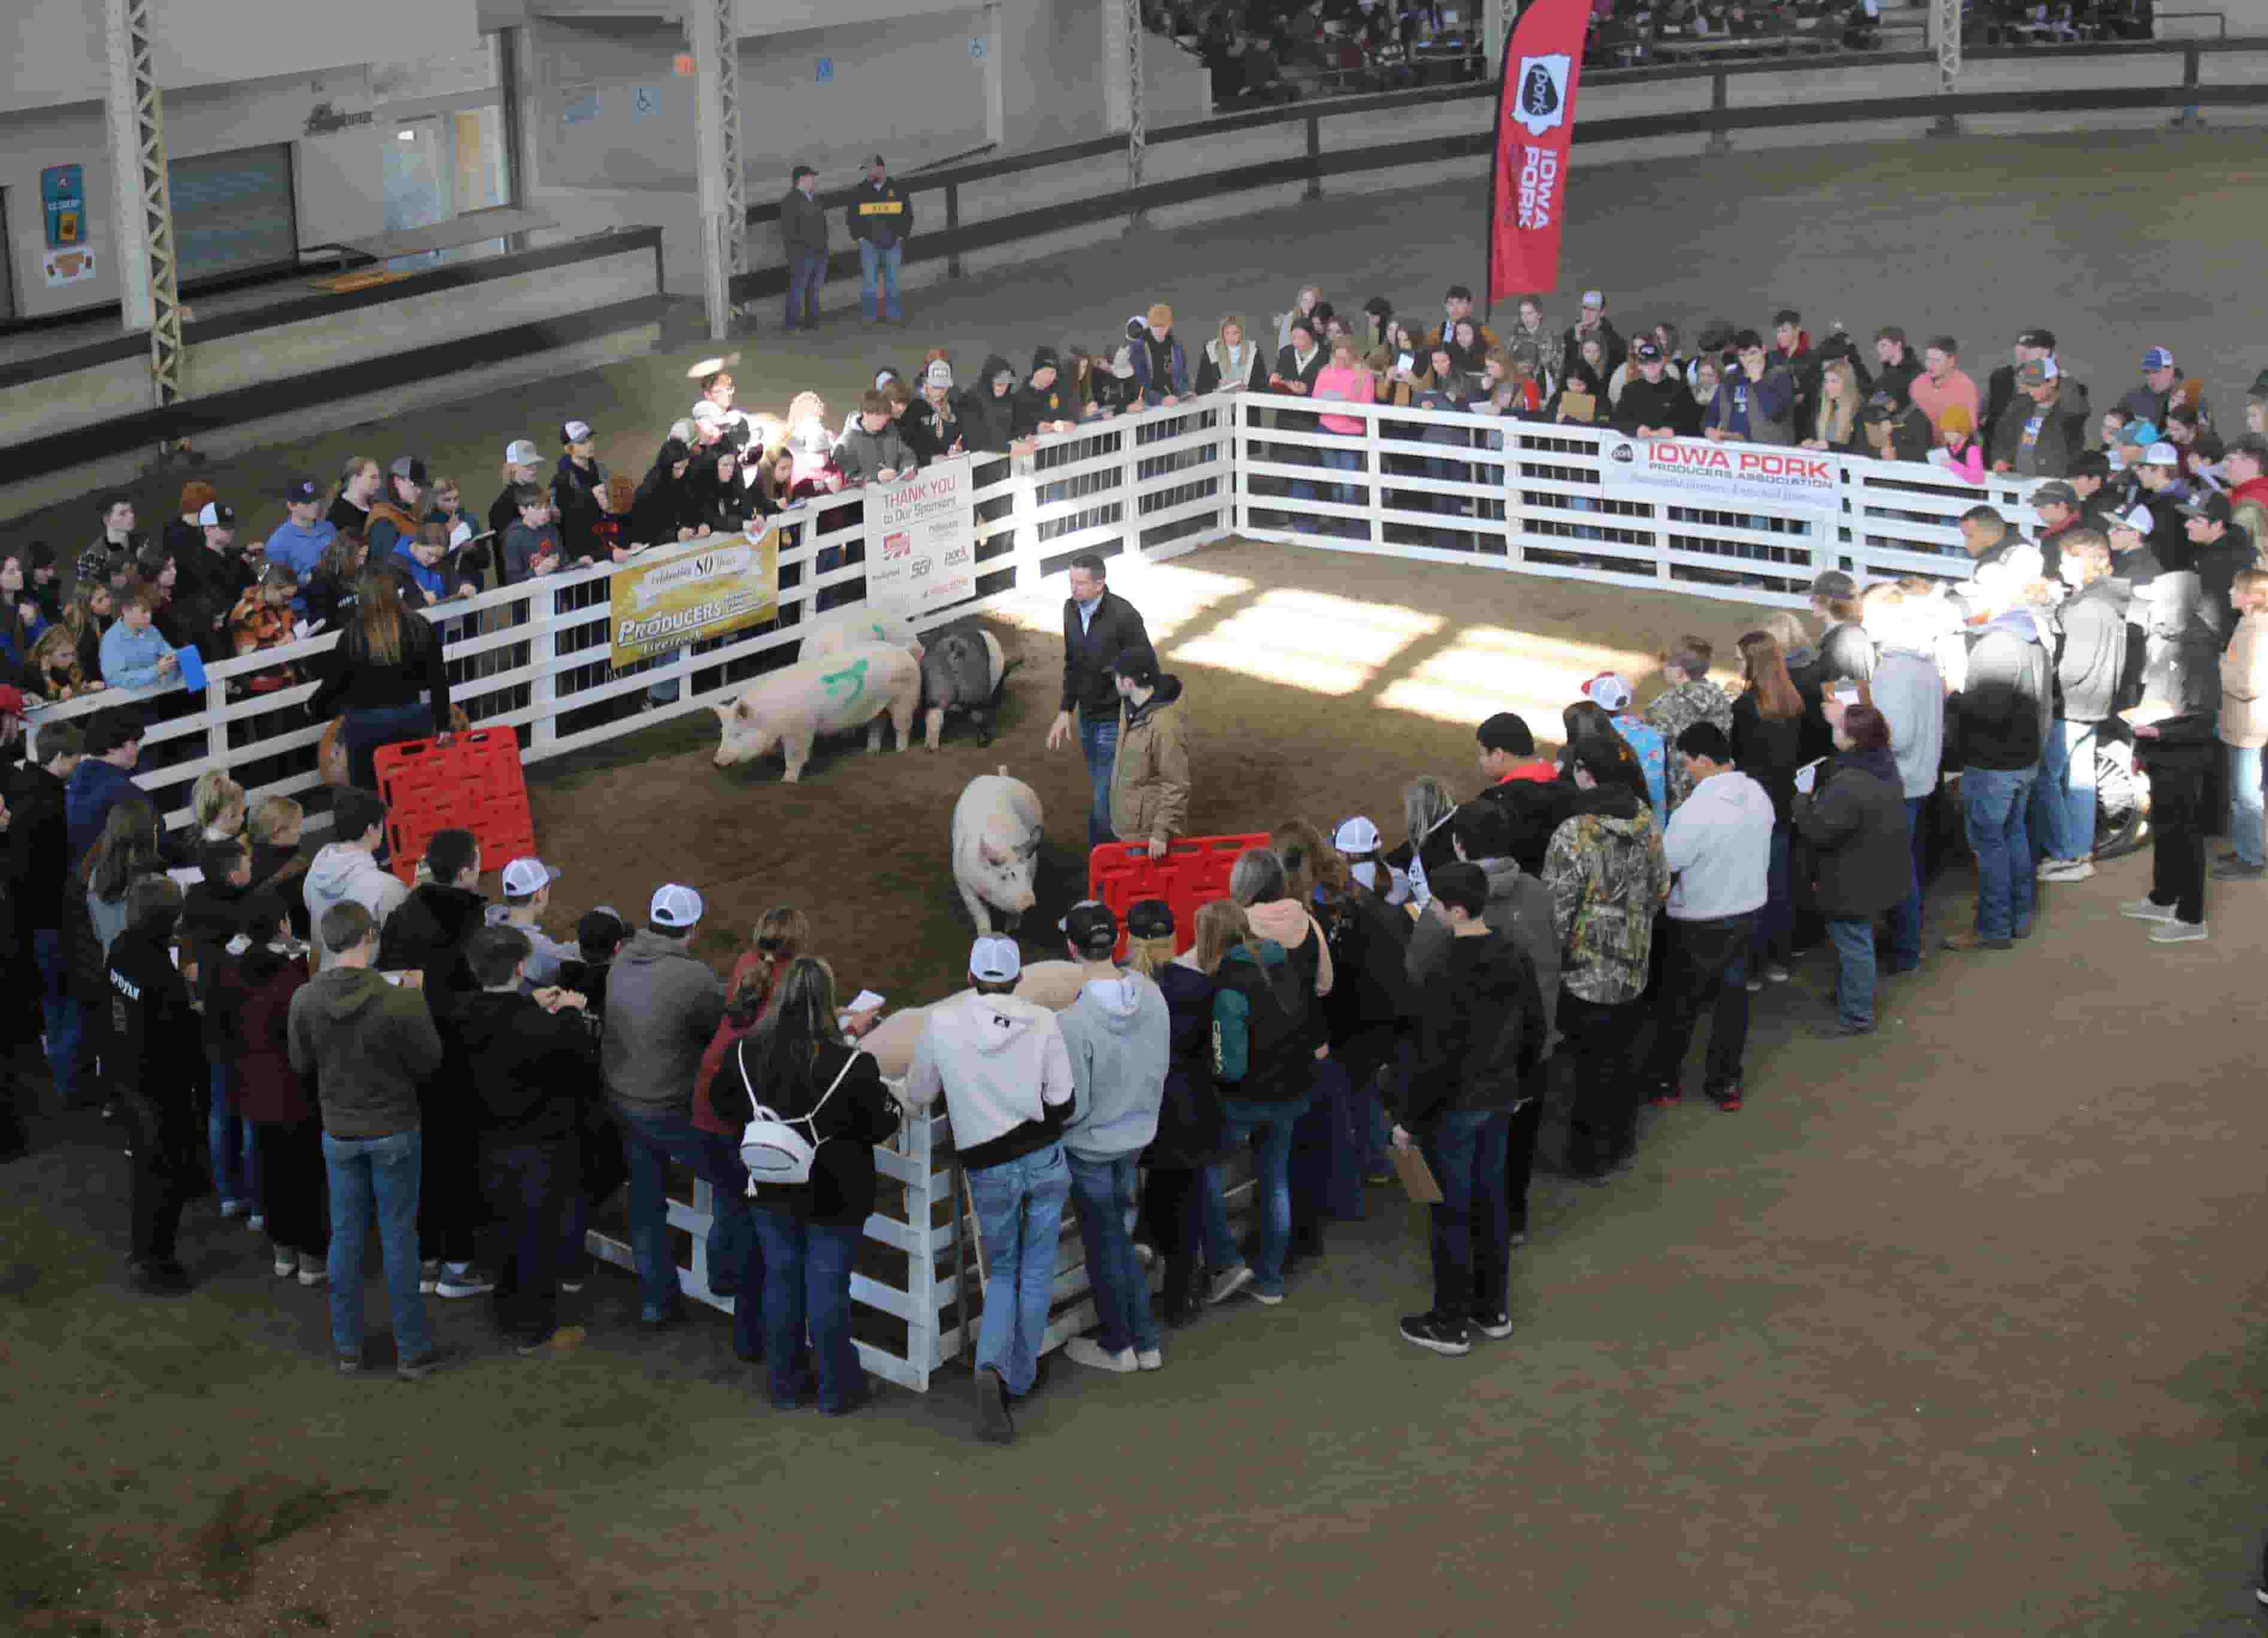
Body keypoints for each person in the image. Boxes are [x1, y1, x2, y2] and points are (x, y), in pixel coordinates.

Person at [903, 935, 1073, 1441]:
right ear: (1019, 977)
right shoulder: (1043, 1021)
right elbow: (1062, 1099)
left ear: (972, 977)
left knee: (1002, 1274)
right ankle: (1018, 1375)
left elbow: (917, 1095)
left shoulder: (943, 1024)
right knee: (1037, 1269)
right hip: (1042, 1158)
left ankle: (992, 1368)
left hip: (988, 1167)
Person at [712, 954, 897, 1412]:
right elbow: (879, 1125)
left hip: (771, 1186)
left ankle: (785, 1384)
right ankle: (838, 1389)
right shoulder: (852, 1065)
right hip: (835, 1193)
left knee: (781, 1281)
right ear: (828, 1002)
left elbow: (723, 1103)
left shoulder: (744, 1052)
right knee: (827, 1288)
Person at [1388, 860, 1545, 1357]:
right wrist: (1521, 1084)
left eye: (1436, 903)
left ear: (1455, 910)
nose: (1432, 909)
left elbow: (1433, 1059)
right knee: (1490, 1204)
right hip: (1500, 1101)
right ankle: (1491, 1309)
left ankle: (1449, 1322)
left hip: (1454, 1110)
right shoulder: (1515, 955)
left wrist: (1408, 1122)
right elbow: (1534, 1027)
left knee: (1450, 1213)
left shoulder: (1442, 971)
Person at [290, 900, 448, 1377]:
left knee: (346, 1238)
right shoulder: (401, 998)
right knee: (400, 1238)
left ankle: (347, 1348)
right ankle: (411, 1350)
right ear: (368, 938)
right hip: (395, 1130)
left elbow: (301, 1065)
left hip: (340, 1131)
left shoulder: (305, 999)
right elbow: (429, 1063)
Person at [1404, 802, 1556, 1237]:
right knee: (1515, 1144)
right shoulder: (1538, 892)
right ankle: (1510, 1223)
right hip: (1528, 1049)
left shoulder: (1443, 914)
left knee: (1457, 1161)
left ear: (1458, 845)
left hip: (1464, 1074)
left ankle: (1466, 1238)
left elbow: (1418, 989)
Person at [448, 925, 599, 1355]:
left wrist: (529, 1002)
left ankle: (508, 1313)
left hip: (482, 1144)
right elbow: (580, 1062)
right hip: (535, 1147)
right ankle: (535, 1331)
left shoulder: (461, 1015)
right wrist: (570, 1012)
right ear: (519, 968)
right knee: (537, 1239)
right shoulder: (539, 1027)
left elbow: (490, 1015)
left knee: (501, 1232)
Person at [603, 883, 745, 1328]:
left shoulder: (622, 959)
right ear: (692, 929)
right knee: (734, 1179)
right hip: (666, 1107)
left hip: (622, 1099)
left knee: (646, 1202)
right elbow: (718, 1031)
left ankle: (656, 1301)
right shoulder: (692, 977)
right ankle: (726, 1278)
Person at [1543, 736, 1669, 1182]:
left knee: (1587, 1071)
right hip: (1633, 965)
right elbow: (1660, 890)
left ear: (1584, 773)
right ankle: (1619, 1142)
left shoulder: (1574, 834)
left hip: (1585, 975)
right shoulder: (1646, 820)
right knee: (1621, 1059)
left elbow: (1556, 913)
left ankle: (1588, 1158)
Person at [1053, 901, 1169, 1375]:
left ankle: (1126, 1343)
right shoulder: (1151, 994)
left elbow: (1072, 1103)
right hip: (1137, 1136)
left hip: (1092, 1148)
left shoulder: (1072, 1021)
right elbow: (1160, 1065)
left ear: (1072, 949)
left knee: (1107, 1246)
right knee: (1118, 1235)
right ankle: (1139, 1342)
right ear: (1117, 942)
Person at [1641, 722, 1773, 1109]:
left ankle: (1666, 1080)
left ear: (1702, 760)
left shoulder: (1694, 811)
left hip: (1699, 922)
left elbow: (1668, 863)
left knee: (1680, 1006)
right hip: (1748, 912)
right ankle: (1725, 1083)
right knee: (1733, 1003)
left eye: (1687, 763)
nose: (1686, 770)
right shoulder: (1758, 795)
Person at [211, 893, 325, 1285]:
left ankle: (283, 1252)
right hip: (296, 1089)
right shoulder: (293, 975)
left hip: (253, 1088)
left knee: (272, 1170)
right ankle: (311, 1259)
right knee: (305, 1177)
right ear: (281, 926)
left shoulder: (232, 972)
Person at [1124, 899, 1225, 1325]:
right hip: (1187, 1114)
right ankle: (1178, 1303)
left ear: (1130, 939)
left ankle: (1143, 1246)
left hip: (1134, 1116)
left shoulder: (1121, 989)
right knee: (1183, 1203)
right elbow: (1214, 1055)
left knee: (1143, 1191)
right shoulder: (1199, 986)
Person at [104, 876, 203, 1294]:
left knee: (146, 1171)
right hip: (159, 1088)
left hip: (126, 1076)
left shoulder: (121, 950)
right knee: (165, 1174)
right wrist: (196, 1011)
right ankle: (155, 1262)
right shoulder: (158, 972)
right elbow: (178, 1037)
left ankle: (143, 1250)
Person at [1943, 578, 2051, 951]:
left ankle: (1994, 928)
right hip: (2023, 758)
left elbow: (1989, 710)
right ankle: (2018, 918)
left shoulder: (1996, 645)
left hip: (1994, 763)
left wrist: (1952, 697)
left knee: (1991, 846)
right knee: (2014, 836)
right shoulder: (2031, 639)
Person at [1793, 703, 1909, 1038]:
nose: (1834, 732)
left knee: (1853, 943)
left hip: (1851, 880)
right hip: (1877, 869)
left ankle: (1856, 1013)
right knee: (1859, 941)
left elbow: (1818, 830)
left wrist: (1803, 797)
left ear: (1853, 739)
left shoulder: (1848, 783)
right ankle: (1852, 996)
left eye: (1839, 728)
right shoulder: (1884, 765)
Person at [1860, 583, 1946, 975]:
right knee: (1906, 866)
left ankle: (1905, 950)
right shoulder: (1924, 661)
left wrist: (1855, 726)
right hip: (1919, 777)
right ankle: (1904, 944)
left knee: (1899, 872)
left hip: (1900, 781)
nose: (1864, 620)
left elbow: (1897, 735)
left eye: (1870, 613)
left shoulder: (1895, 667)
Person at [305, 569, 451, 791]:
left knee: (368, 797)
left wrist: (314, 707)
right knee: (413, 790)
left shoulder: (352, 635)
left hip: (365, 724)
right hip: (413, 718)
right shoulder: (421, 626)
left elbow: (335, 681)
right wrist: (442, 723)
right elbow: (438, 679)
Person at [2036, 533, 2127, 883]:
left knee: (2049, 780)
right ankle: (2078, 852)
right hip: (2094, 705)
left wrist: (2046, 681)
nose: (2059, 567)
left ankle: (2066, 854)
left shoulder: (2087, 607)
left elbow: (2074, 668)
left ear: (2083, 561)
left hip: (2070, 707)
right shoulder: (2107, 601)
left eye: (2065, 560)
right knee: (2080, 781)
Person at [1047, 554, 1152, 848]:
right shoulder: (1070, 610)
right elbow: (1072, 663)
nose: (1074, 589)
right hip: (1087, 718)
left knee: (1103, 795)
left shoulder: (1124, 615)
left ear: (1100, 584)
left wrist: (1135, 713)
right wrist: (1065, 710)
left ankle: (1104, 860)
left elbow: (1147, 665)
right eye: (1071, 581)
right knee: (1102, 787)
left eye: (1080, 583)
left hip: (1114, 719)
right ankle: (1112, 856)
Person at [1729, 632, 1808, 985]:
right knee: (1780, 883)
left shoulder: (1745, 707)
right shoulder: (1792, 700)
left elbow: (1739, 755)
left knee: (1754, 886)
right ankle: (1781, 958)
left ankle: (1755, 965)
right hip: (1783, 800)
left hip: (1755, 803)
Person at [2120, 680, 2218, 944]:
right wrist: (2141, 750)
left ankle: (2191, 917)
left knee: (2186, 838)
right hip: (2161, 761)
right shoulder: (2168, 646)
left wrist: (2159, 734)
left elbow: (2205, 721)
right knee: (2164, 834)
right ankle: (2163, 898)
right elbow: (2151, 705)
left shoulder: (2198, 650)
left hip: (2186, 766)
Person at [302, 788, 409, 967]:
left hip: (326, 979)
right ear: (370, 829)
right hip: (370, 984)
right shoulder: (386, 887)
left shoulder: (314, 874)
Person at [1103, 644, 1189, 860]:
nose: (1114, 681)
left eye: (1117, 677)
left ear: (1129, 683)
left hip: (1147, 838)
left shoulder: (1165, 725)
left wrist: (1161, 833)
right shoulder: (1129, 705)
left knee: (1146, 891)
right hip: (1129, 826)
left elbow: (1176, 783)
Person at [2217, 568, 2268, 881]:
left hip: (2248, 723)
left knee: (2246, 795)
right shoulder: (2249, 625)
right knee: (2241, 793)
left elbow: (2250, 685)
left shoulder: (2256, 630)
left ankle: (2250, 859)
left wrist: (2219, 666)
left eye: (2236, 589)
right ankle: (2245, 848)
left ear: (2252, 596)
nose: (2230, 593)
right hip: (2242, 721)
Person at [1644, 640, 1735, 812]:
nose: (1663, 668)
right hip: (1720, 792)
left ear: (1680, 672)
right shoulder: (1722, 699)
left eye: (1668, 665)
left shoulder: (1663, 706)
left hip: (1680, 798)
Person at [484, 857, 578, 993]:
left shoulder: (490, 923)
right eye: (547, 888)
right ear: (539, 894)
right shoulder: (537, 948)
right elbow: (573, 963)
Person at [845, 154, 911, 325]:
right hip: (869, 244)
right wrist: (859, 238)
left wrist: (901, 236)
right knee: (869, 282)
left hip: (892, 244)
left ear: (880, 168)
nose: (867, 174)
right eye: (865, 170)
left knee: (893, 281)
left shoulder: (898, 189)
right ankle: (869, 317)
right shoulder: (859, 191)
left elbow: (907, 216)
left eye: (869, 169)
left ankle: (894, 315)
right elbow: (851, 217)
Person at [1703, 330, 1797, 446]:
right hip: (1734, 449)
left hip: (1768, 452)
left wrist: (1758, 380)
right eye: (1743, 355)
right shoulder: (1730, 379)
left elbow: (1776, 413)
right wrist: (1708, 429)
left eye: (1753, 353)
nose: (1749, 360)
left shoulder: (1781, 375)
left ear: (1763, 350)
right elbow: (1711, 413)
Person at [98, 584, 178, 693]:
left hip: (159, 698)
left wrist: (173, 662)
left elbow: (170, 655)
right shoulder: (110, 640)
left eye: (150, 611)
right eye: (144, 612)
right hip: (127, 705)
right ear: (126, 611)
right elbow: (114, 679)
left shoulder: (152, 630)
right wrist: (157, 671)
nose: (149, 616)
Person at [780, 163, 829, 331]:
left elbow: (823, 225)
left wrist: (824, 247)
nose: (813, 180)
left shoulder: (814, 199)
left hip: (819, 251)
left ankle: (812, 321)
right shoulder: (790, 201)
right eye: (810, 177)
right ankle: (791, 324)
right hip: (802, 253)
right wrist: (795, 253)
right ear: (801, 180)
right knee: (799, 290)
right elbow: (788, 231)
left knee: (813, 289)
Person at [1909, 336, 1981, 438]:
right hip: (1920, 446)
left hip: (1950, 448)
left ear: (1951, 361)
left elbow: (1969, 429)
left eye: (1936, 361)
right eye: (1928, 359)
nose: (1930, 365)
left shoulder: (1966, 388)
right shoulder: (1917, 384)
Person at [1196, 314, 1268, 396]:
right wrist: (1217, 386)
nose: (1231, 337)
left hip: (1247, 403)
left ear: (1242, 333)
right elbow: (1201, 385)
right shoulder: (1211, 351)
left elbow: (1261, 383)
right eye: (1227, 333)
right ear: (1222, 334)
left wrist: (1247, 388)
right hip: (1220, 404)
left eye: (1235, 333)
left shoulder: (1253, 351)